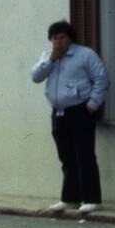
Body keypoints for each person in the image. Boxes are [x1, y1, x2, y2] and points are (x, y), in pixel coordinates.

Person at [31, 20, 109, 212]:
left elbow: (101, 78)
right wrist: (50, 60)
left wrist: (92, 105)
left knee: (84, 155)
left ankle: (92, 199)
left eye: (61, 37)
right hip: (58, 112)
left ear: (70, 38)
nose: (57, 42)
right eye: (54, 38)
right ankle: (70, 198)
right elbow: (35, 76)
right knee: (66, 157)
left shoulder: (85, 55)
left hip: (80, 110)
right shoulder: (48, 56)